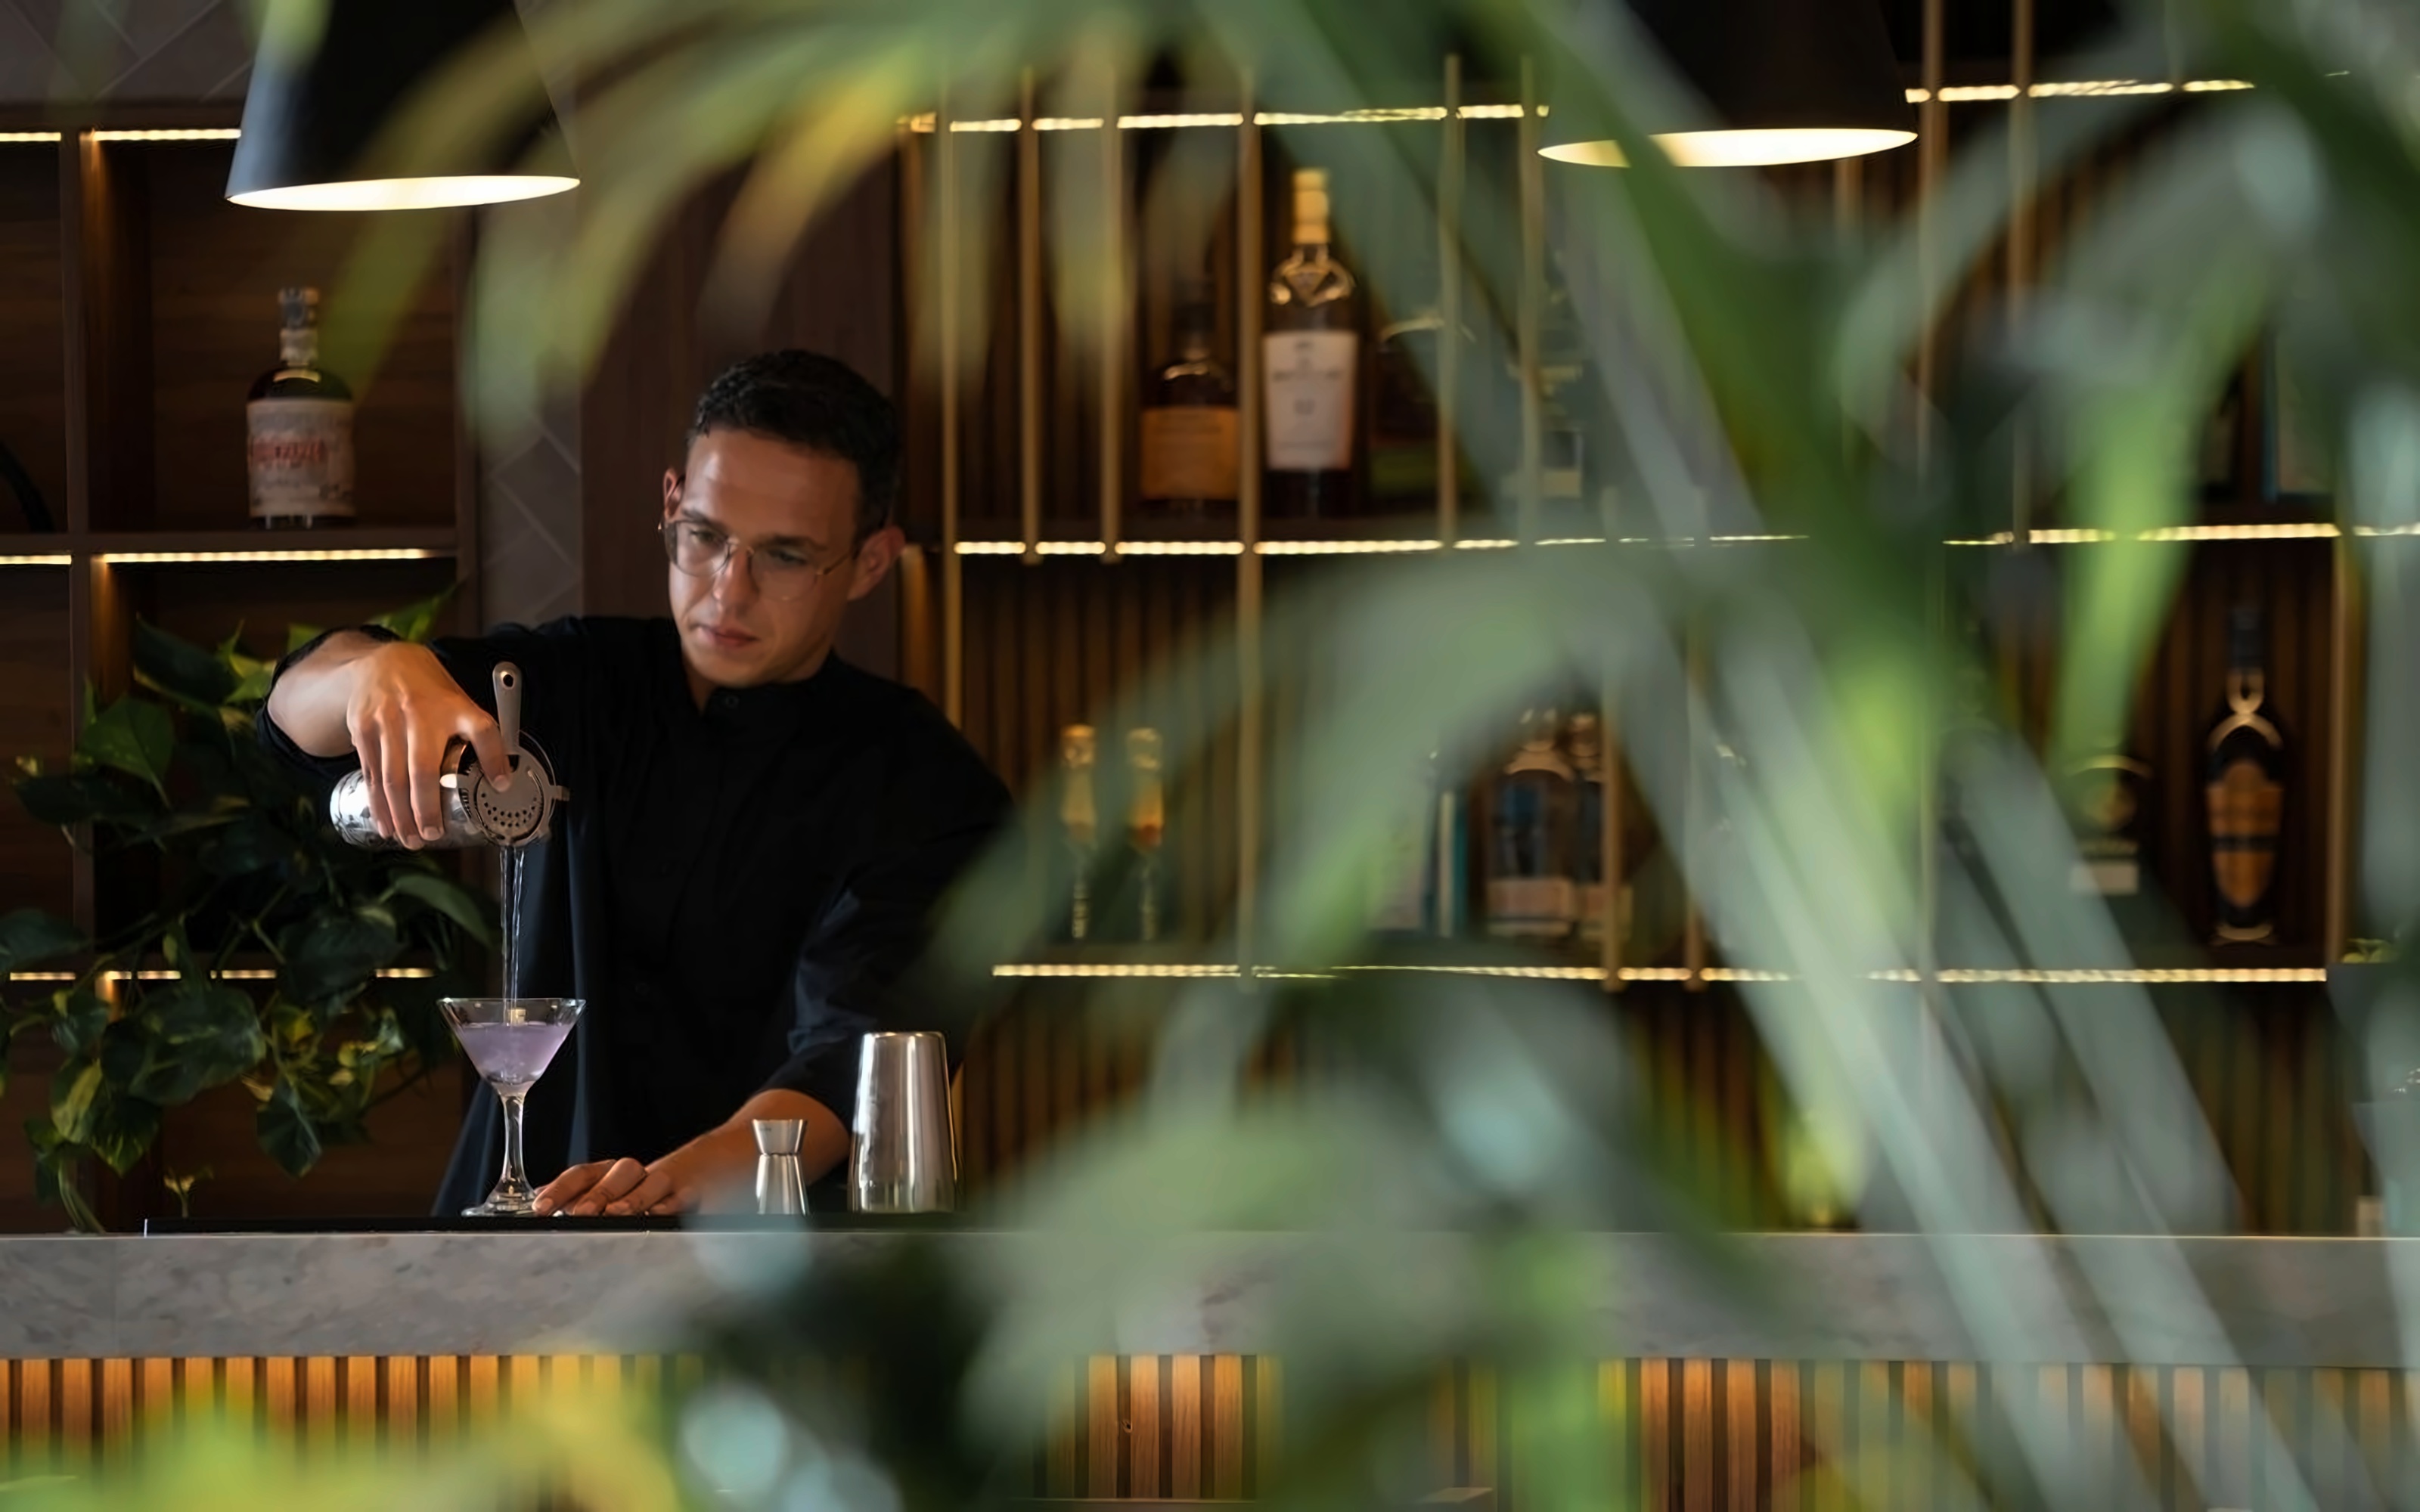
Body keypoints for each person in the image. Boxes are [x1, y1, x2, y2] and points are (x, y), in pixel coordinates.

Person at [262, 351, 1008, 1216]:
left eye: (784, 556)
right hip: (513, 1231)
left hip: (769, 1255)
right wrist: (375, 671)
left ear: (871, 561)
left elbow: (852, 1058)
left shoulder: (927, 787)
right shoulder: (581, 681)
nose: (728, 590)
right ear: (670, 501)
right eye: (704, 535)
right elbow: (289, 721)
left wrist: (659, 1193)